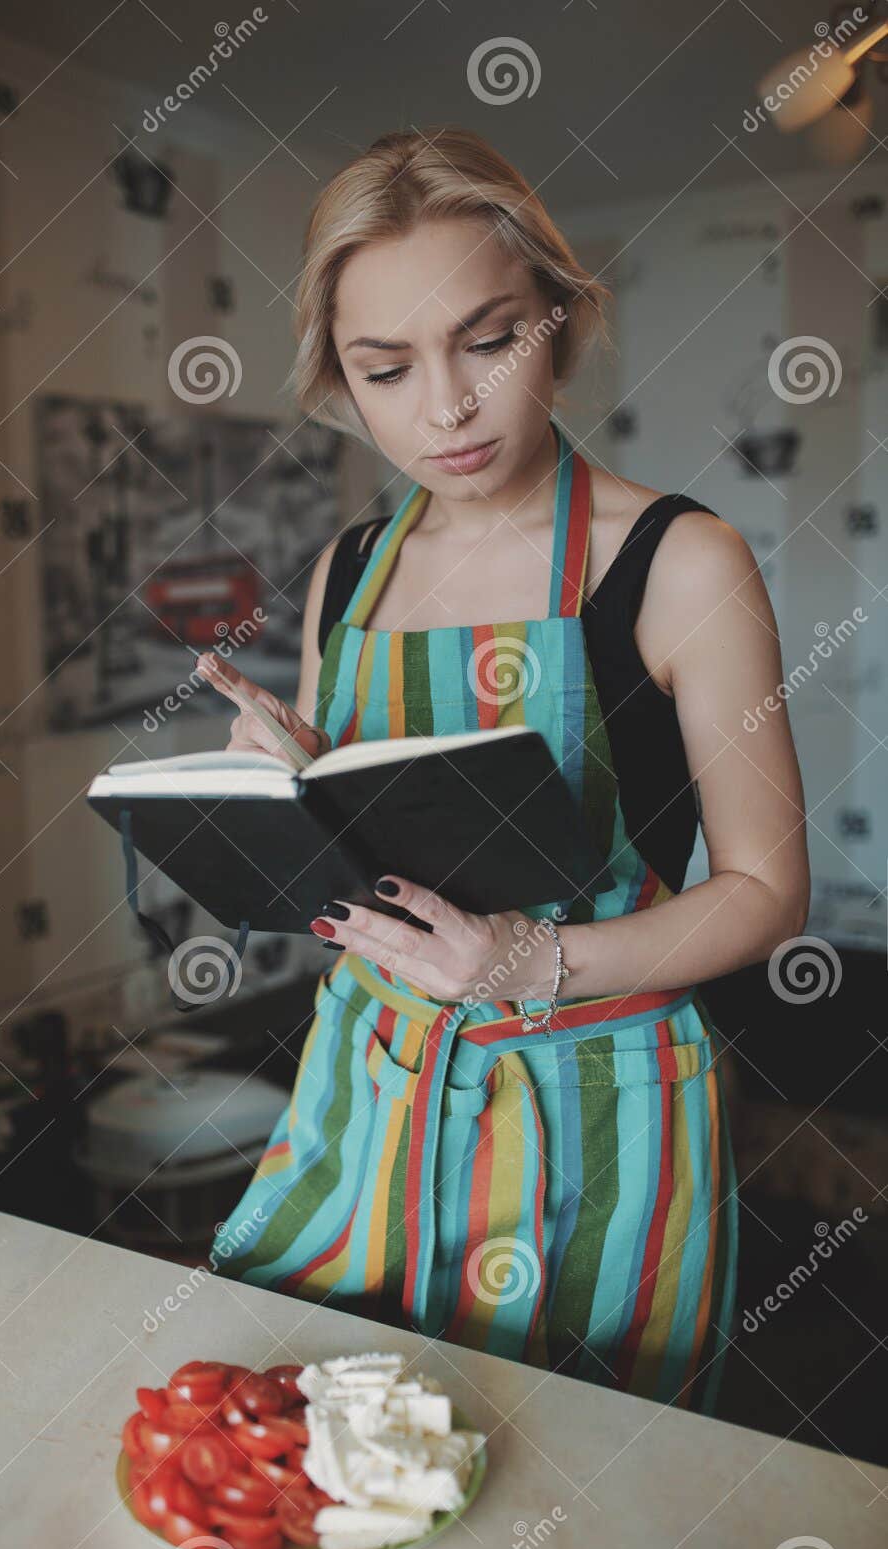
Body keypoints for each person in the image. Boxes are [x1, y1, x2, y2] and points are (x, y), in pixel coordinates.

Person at [198, 127, 809, 1416]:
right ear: (341, 382)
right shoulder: (349, 570)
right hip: (372, 1079)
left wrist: (527, 964)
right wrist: (292, 776)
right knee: (322, 1440)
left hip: (597, 1103)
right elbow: (362, 836)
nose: (448, 408)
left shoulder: (680, 562)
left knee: (562, 1489)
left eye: (489, 340)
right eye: (386, 367)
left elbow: (768, 892)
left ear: (558, 321)